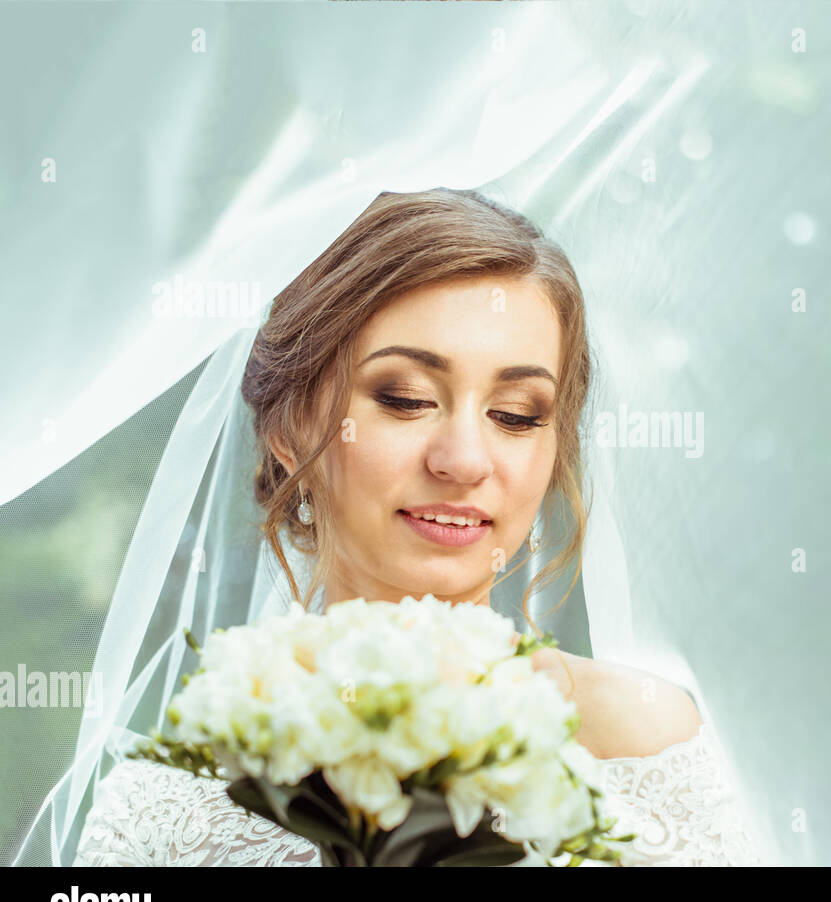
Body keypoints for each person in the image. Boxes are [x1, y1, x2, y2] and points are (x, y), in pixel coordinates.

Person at [67, 187, 763, 866]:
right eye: (405, 399)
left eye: (517, 414)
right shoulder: (167, 813)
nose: (462, 460)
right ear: (290, 426)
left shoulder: (649, 739)